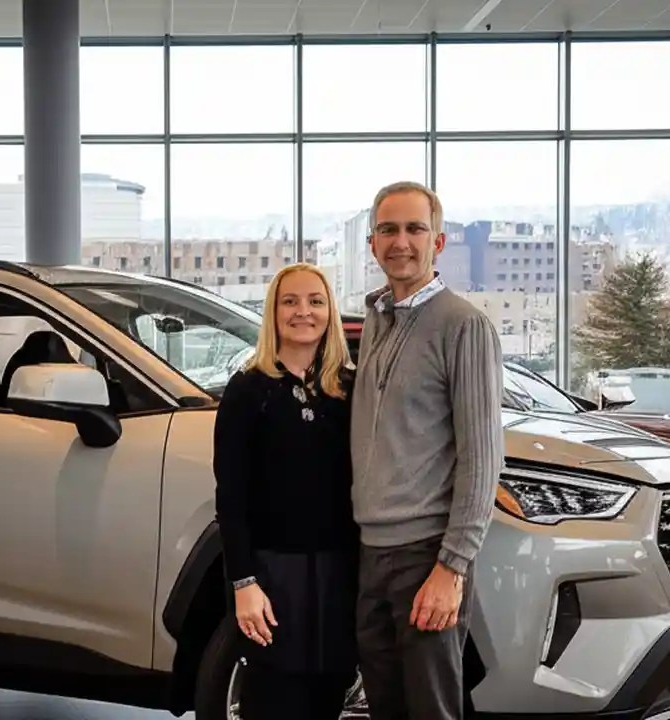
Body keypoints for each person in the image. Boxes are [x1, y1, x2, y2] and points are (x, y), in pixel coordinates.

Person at [350, 181, 504, 720]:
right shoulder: (376, 321)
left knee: (432, 711)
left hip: (425, 557)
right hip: (371, 554)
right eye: (388, 229)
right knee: (386, 709)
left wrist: (452, 567)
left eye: (416, 228)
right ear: (372, 243)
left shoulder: (463, 325)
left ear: (437, 243)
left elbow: (483, 460)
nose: (401, 241)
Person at [213, 262, 359, 719]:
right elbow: (230, 498)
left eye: (316, 302)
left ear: (330, 312)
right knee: (273, 700)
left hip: (342, 579)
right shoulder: (247, 391)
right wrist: (244, 584)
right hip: (272, 579)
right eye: (290, 301)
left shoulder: (350, 391)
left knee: (328, 698)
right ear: (273, 312)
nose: (304, 312)